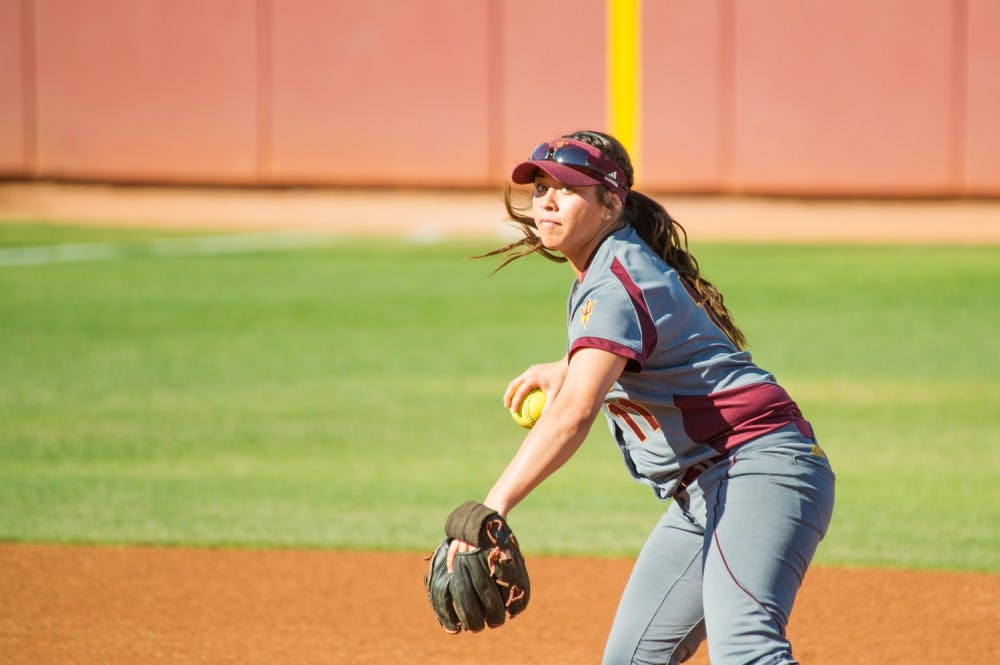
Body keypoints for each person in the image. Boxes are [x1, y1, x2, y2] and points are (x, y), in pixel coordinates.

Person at [449, 130, 835, 664]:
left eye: (567, 188)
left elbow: (574, 414)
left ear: (612, 201)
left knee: (746, 651)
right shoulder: (610, 266)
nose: (547, 201)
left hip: (758, 470)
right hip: (706, 493)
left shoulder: (613, 281)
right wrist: (567, 366)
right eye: (539, 189)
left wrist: (493, 507)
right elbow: (646, 346)